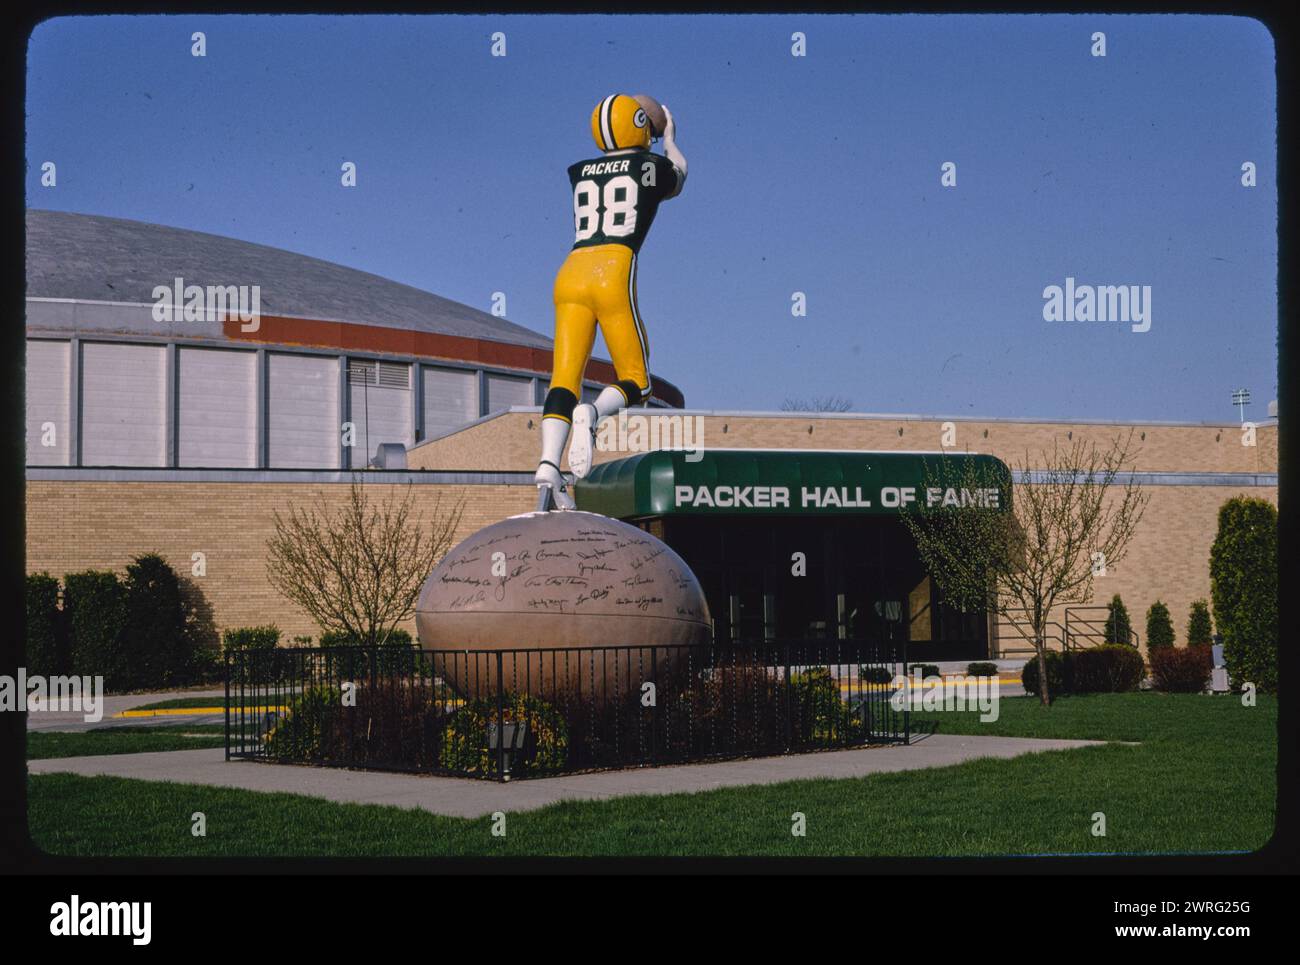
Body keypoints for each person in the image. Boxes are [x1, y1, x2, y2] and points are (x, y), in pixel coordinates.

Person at [534, 93, 688, 510]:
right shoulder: (649, 165)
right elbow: (678, 176)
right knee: (637, 382)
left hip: (569, 273)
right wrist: (668, 137)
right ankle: (594, 415)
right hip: (612, 268)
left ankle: (549, 466)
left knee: (563, 377)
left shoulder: (579, 171)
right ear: (640, 125)